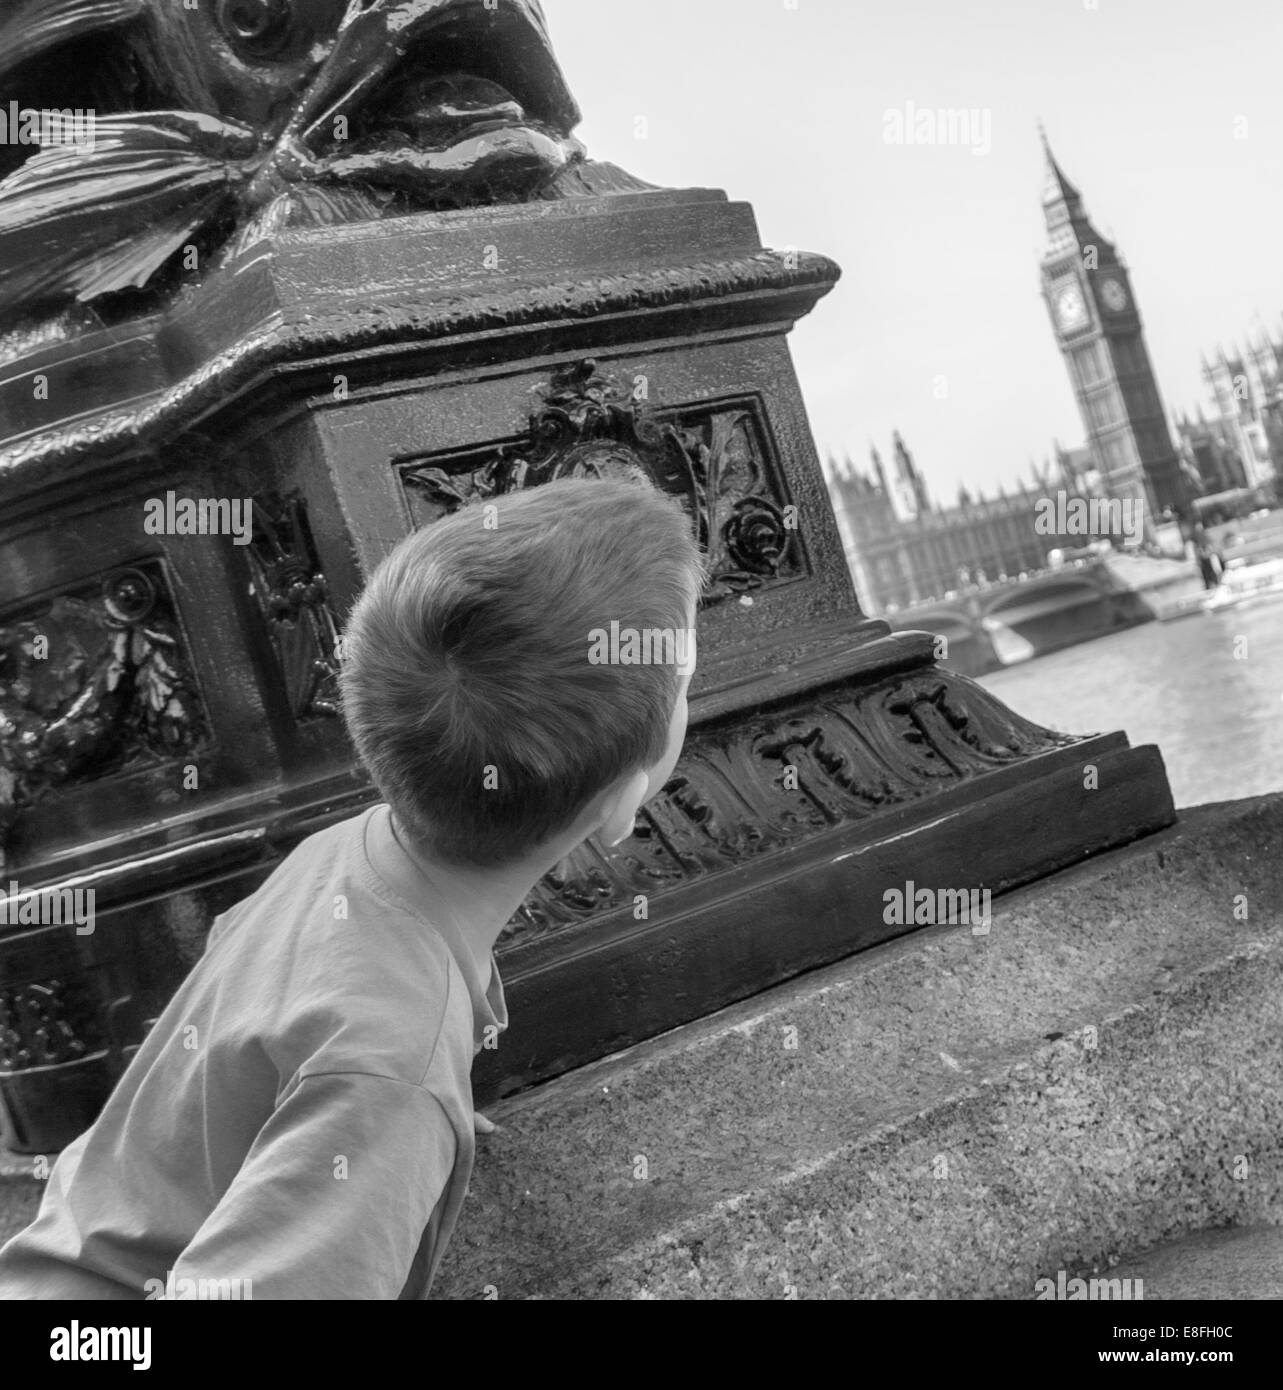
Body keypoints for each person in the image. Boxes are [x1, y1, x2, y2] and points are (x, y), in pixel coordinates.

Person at [0, 476, 703, 1299]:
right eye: (684, 678)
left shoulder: (343, 856)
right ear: (620, 802)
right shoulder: (389, 1073)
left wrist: (359, 1113)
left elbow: (274, 1028)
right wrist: (382, 1116)